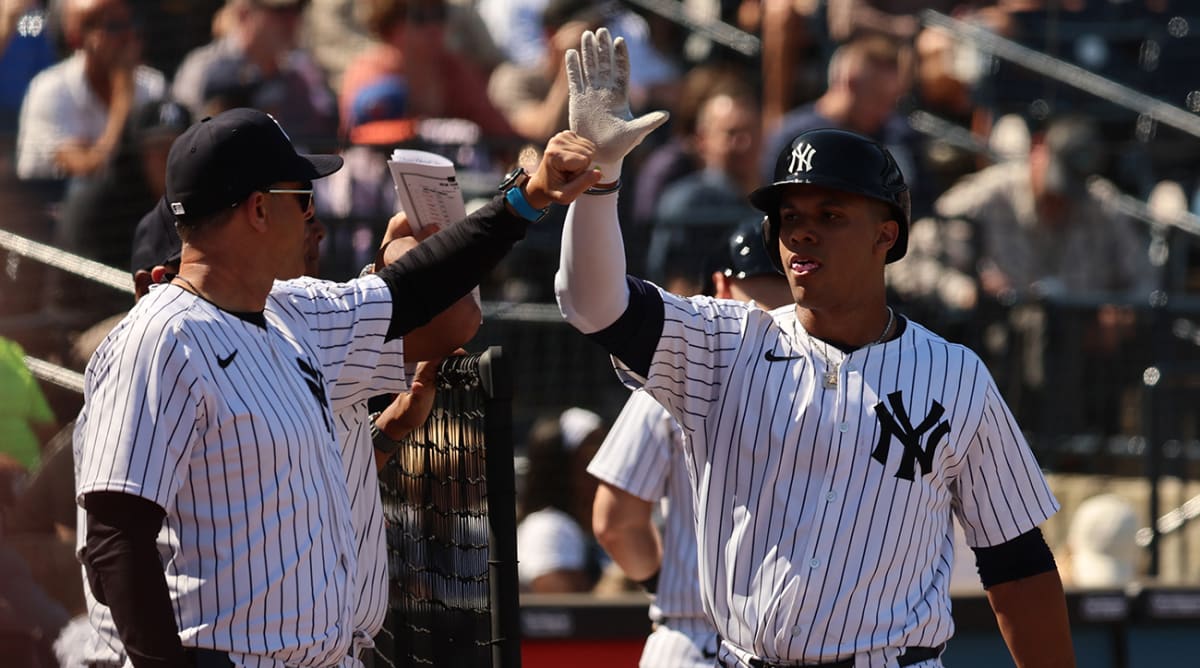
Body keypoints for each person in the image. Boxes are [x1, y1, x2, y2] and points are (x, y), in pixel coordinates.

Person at [555, 29, 1075, 666]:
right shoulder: (725, 342)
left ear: (887, 235)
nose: (803, 234)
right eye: (790, 218)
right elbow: (593, 304)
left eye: (831, 216)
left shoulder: (955, 375)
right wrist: (600, 182)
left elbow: (1016, 563)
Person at [72, 106, 601, 667]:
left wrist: (528, 197)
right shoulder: (156, 341)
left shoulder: (293, 314)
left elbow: (416, 289)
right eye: (303, 198)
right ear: (258, 209)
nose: (311, 218)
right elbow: (115, 537)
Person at [589, 219, 791, 668]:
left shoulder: (681, 369)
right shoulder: (836, 377)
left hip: (690, 639)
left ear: (720, 284)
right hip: (793, 646)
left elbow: (614, 521)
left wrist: (662, 579)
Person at [15, 0, 165, 183]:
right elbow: (89, 169)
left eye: (131, 23)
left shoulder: (152, 85)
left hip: (125, 206)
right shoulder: (50, 90)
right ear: (76, 39)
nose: (129, 35)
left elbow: (164, 173)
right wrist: (123, 95)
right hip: (47, 206)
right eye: (114, 27)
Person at [171, 0, 338, 150]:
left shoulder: (302, 70)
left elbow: (324, 137)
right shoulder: (203, 67)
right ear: (244, 14)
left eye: (297, 9)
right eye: (280, 11)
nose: (292, 20)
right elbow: (185, 142)